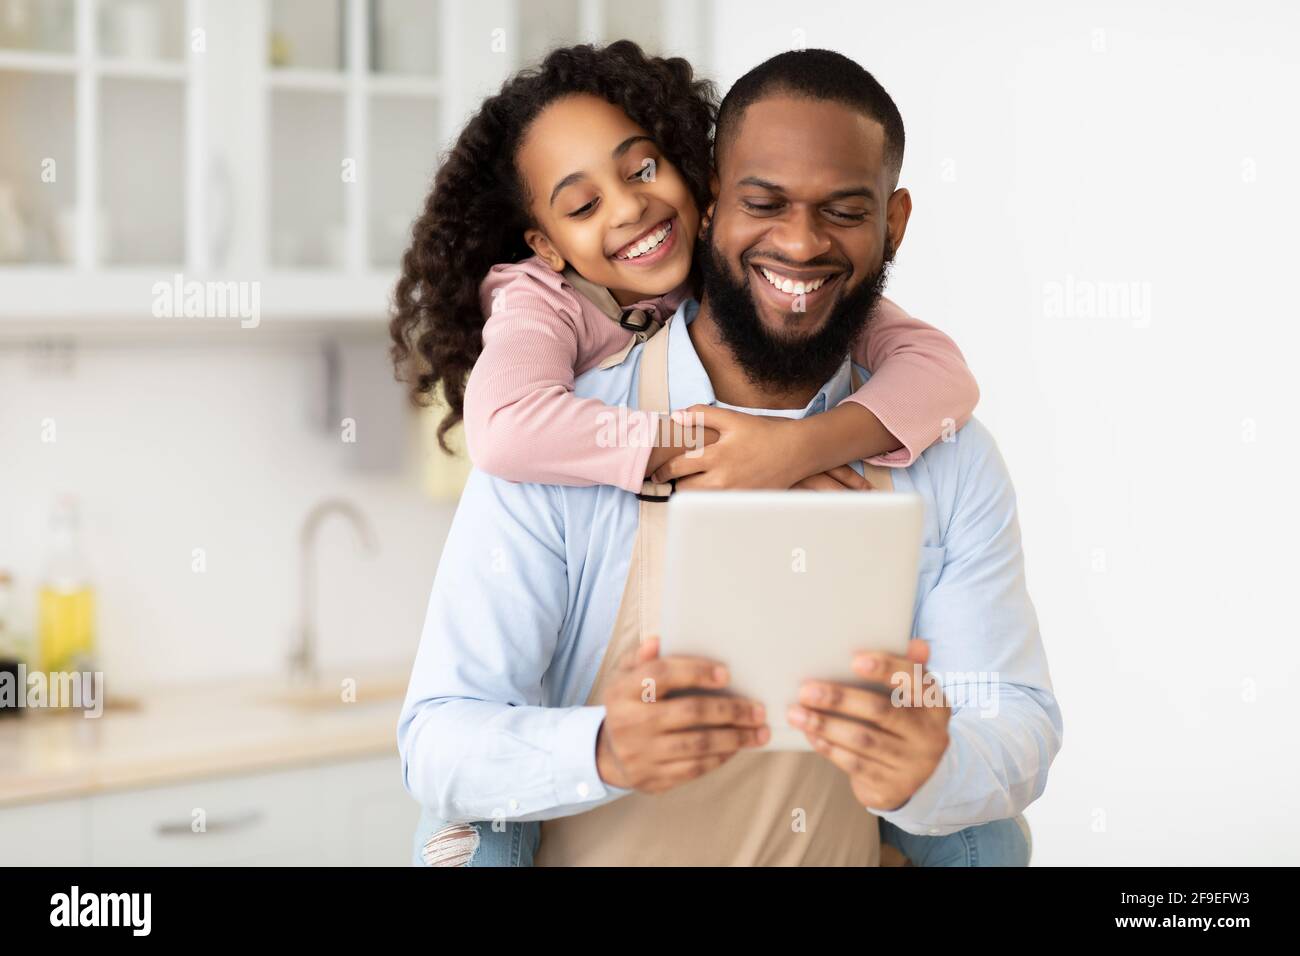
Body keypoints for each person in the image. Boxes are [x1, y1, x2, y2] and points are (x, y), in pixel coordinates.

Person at [395, 47, 1061, 866]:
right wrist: (603, 750)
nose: (800, 242)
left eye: (844, 211)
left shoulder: (947, 459)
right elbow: (437, 738)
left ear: (892, 224)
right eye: (765, 202)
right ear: (712, 203)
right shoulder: (561, 436)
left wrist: (933, 767)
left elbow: (1016, 717)